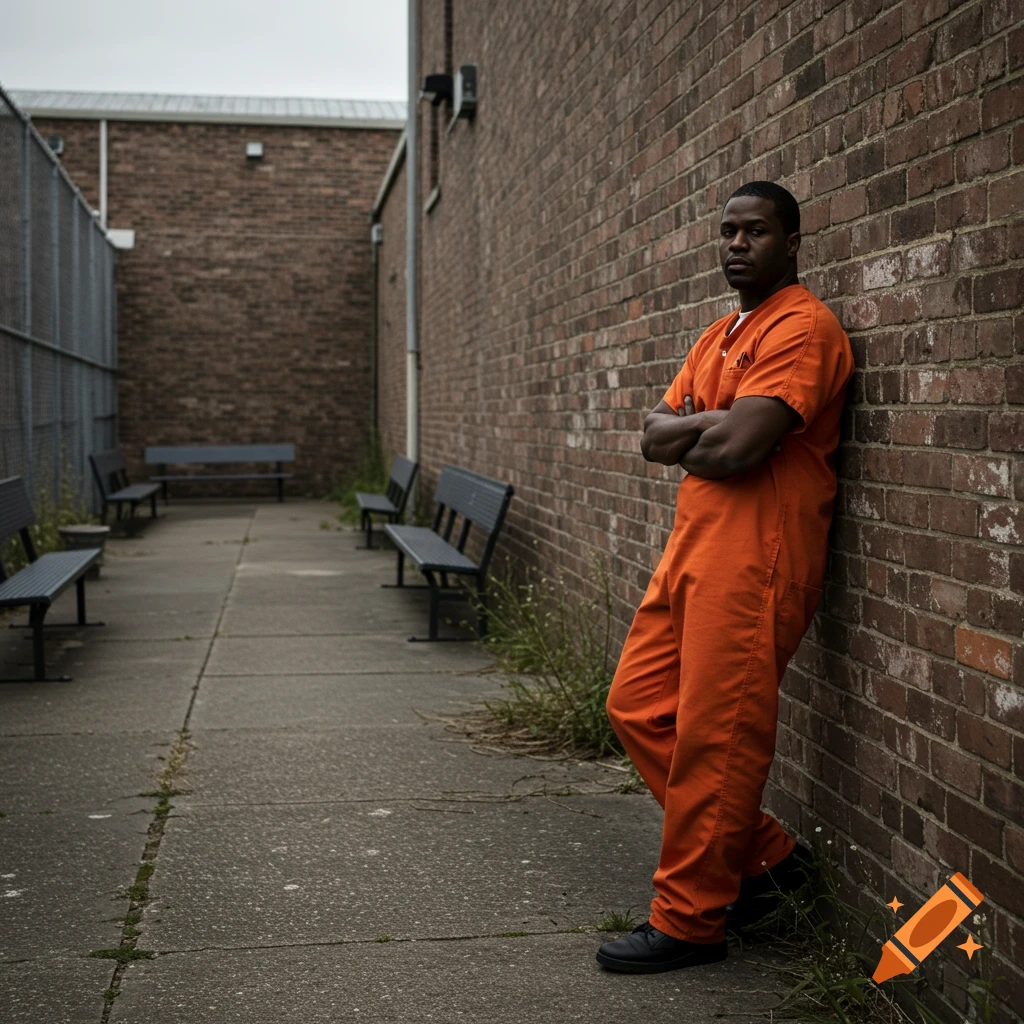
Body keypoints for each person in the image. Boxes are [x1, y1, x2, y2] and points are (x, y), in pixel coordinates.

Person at [596, 180, 854, 974]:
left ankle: (690, 921)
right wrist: (705, 424)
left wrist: (699, 427)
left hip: (756, 560)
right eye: (728, 232)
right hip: (691, 554)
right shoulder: (717, 335)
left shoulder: (803, 329)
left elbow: (735, 450)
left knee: (718, 740)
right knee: (636, 707)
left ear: (792, 243)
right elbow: (652, 436)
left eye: (757, 233)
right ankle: (769, 858)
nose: (738, 245)